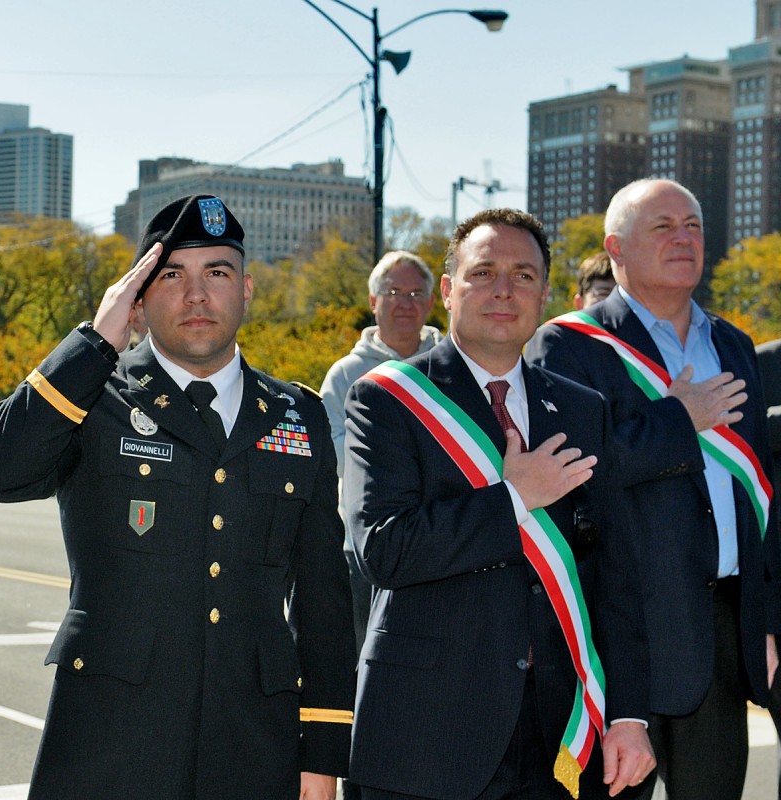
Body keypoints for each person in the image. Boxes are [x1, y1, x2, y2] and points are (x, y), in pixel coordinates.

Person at [0, 194, 355, 800]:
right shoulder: (94, 395)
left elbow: (325, 600)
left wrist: (322, 755)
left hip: (255, 746)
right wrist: (96, 341)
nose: (196, 295)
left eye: (217, 273)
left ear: (247, 290)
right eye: (171, 275)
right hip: (109, 745)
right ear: (139, 297)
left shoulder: (297, 415)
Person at [344, 208, 654, 799]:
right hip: (428, 733)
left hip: (560, 732)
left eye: (523, 275)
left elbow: (616, 575)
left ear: (545, 295)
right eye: (483, 273)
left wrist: (630, 715)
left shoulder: (584, 408)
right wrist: (513, 498)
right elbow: (384, 550)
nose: (504, 290)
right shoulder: (386, 398)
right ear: (448, 290)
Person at [526, 178, 780, 800]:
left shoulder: (734, 344)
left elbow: (760, 499)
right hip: (619, 625)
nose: (684, 238)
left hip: (722, 628)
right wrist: (677, 420)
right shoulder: (567, 344)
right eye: (662, 227)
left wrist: (766, 620)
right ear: (615, 247)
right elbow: (572, 473)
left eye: (693, 226)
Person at [319, 250, 441, 657]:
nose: (405, 302)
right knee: (367, 655)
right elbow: (333, 449)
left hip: (442, 537)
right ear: (373, 302)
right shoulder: (345, 375)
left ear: (431, 301)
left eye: (415, 292)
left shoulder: (452, 367)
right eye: (392, 291)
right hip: (366, 545)